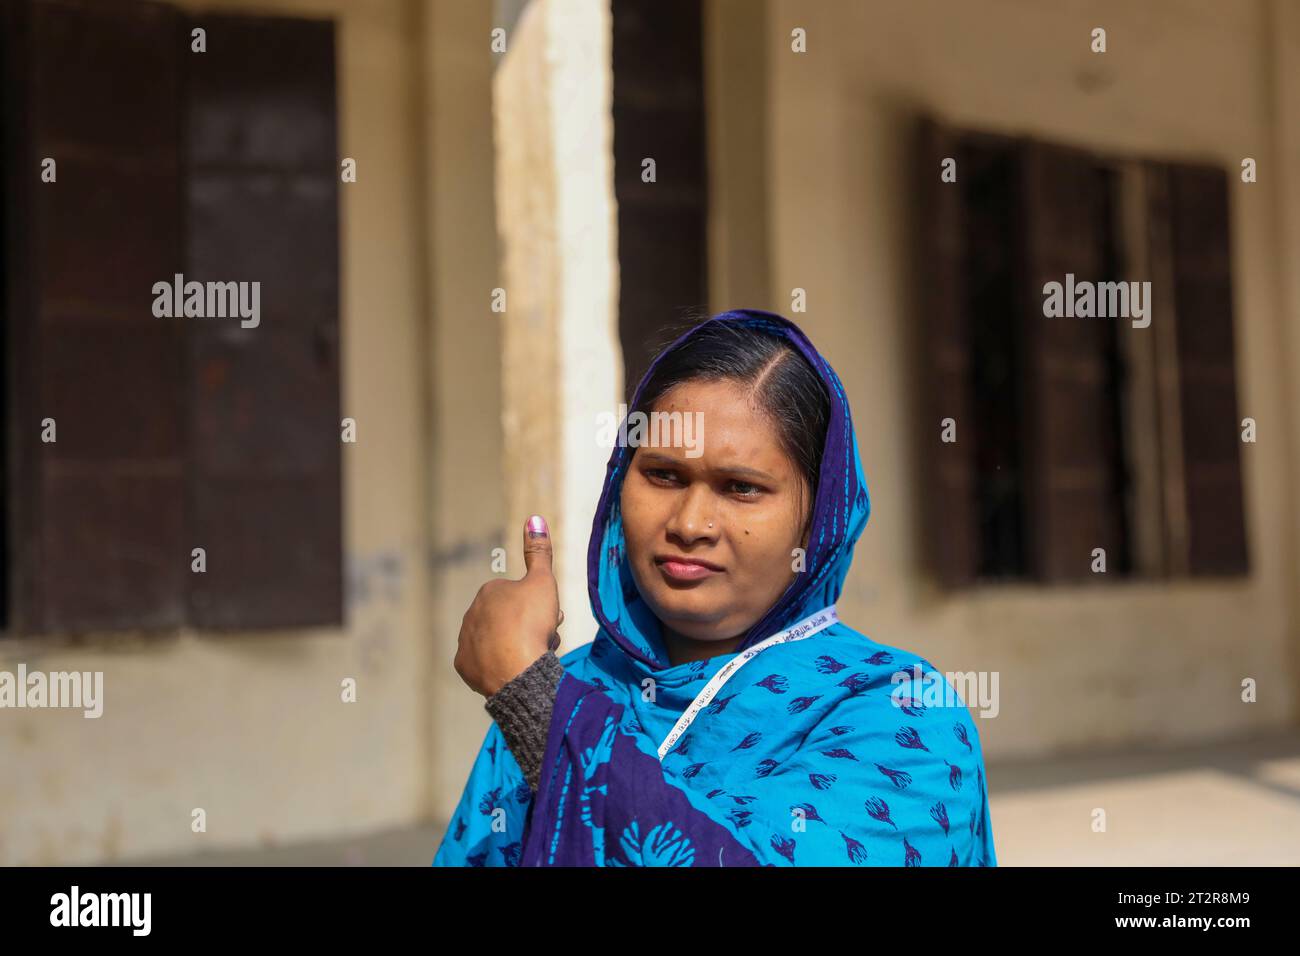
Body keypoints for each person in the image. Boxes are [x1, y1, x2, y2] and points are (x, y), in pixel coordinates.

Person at [432, 308, 997, 866]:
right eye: (663, 475)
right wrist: (540, 703)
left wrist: (538, 706)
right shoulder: (573, 688)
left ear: (818, 518)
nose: (688, 523)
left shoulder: (903, 714)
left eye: (740, 488)